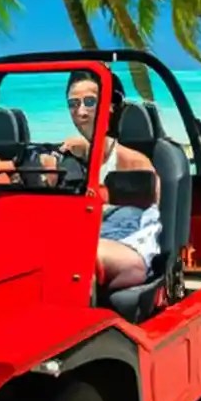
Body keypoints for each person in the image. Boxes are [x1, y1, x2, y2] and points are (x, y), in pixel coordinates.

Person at [59, 69, 163, 290]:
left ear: (110, 106)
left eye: (90, 102)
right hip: (86, 238)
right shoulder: (66, 158)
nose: (81, 111)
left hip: (129, 242)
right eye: (73, 104)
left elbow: (151, 202)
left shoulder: (132, 160)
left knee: (76, 257)